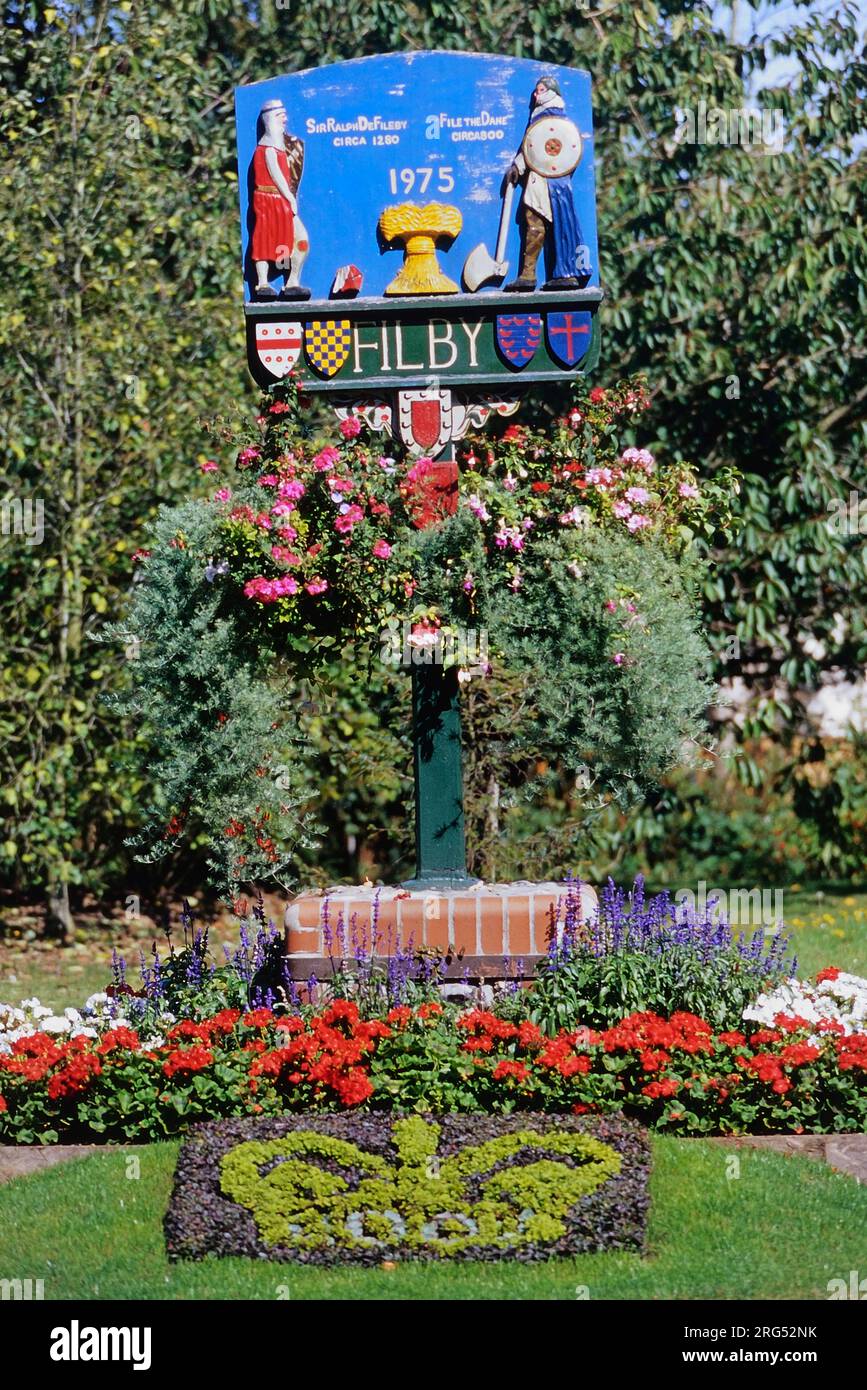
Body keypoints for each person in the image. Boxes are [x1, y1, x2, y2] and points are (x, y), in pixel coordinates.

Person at [503, 77, 589, 293]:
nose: (536, 94)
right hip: (539, 179)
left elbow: (552, 147)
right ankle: (528, 275)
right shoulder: (538, 120)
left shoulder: (555, 120)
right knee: (535, 223)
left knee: (554, 226)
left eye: (540, 90)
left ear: (551, 93)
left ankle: (563, 273)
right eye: (535, 90)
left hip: (553, 182)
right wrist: (518, 167)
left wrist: (520, 165)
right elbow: (531, 147)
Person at [250, 98, 310, 301]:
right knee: (264, 241)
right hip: (269, 201)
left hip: (282, 203)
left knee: (298, 241)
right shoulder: (266, 149)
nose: (285, 119)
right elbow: (275, 175)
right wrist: (290, 198)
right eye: (280, 116)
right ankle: (262, 283)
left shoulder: (282, 147)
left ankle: (291, 281)